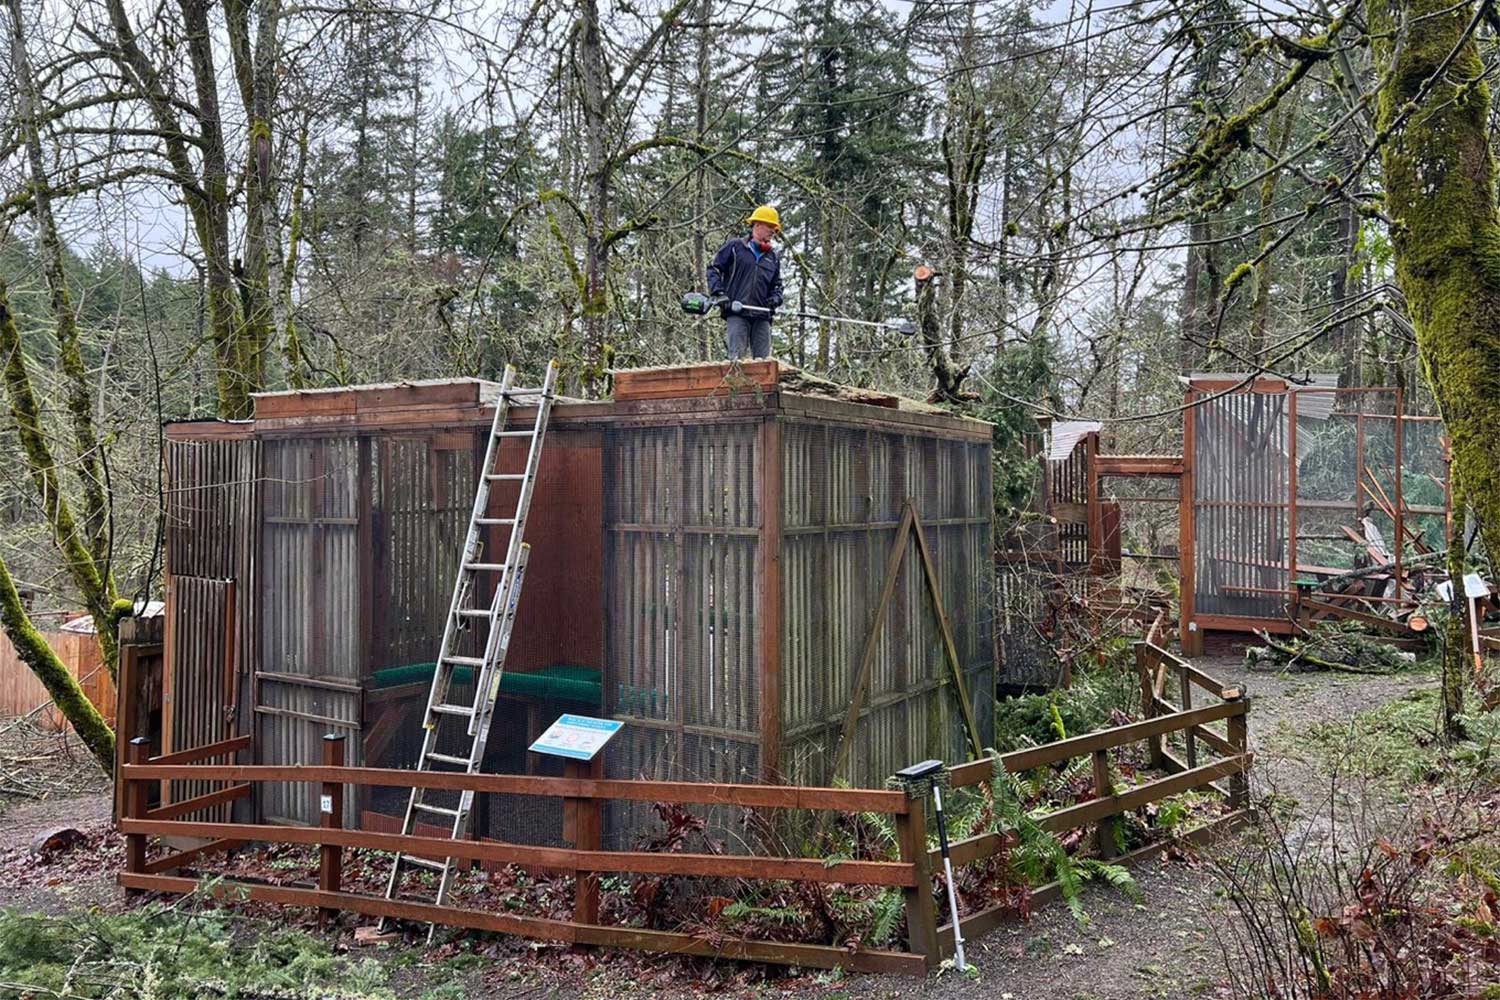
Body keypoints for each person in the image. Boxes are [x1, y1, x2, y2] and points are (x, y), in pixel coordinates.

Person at [706, 205, 784, 359]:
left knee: (764, 363)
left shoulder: (773, 258)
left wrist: (776, 298)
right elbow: (714, 270)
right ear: (757, 225)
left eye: (774, 229)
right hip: (737, 311)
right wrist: (719, 293)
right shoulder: (735, 247)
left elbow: (777, 285)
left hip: (762, 315)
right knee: (736, 360)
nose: (772, 232)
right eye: (770, 227)